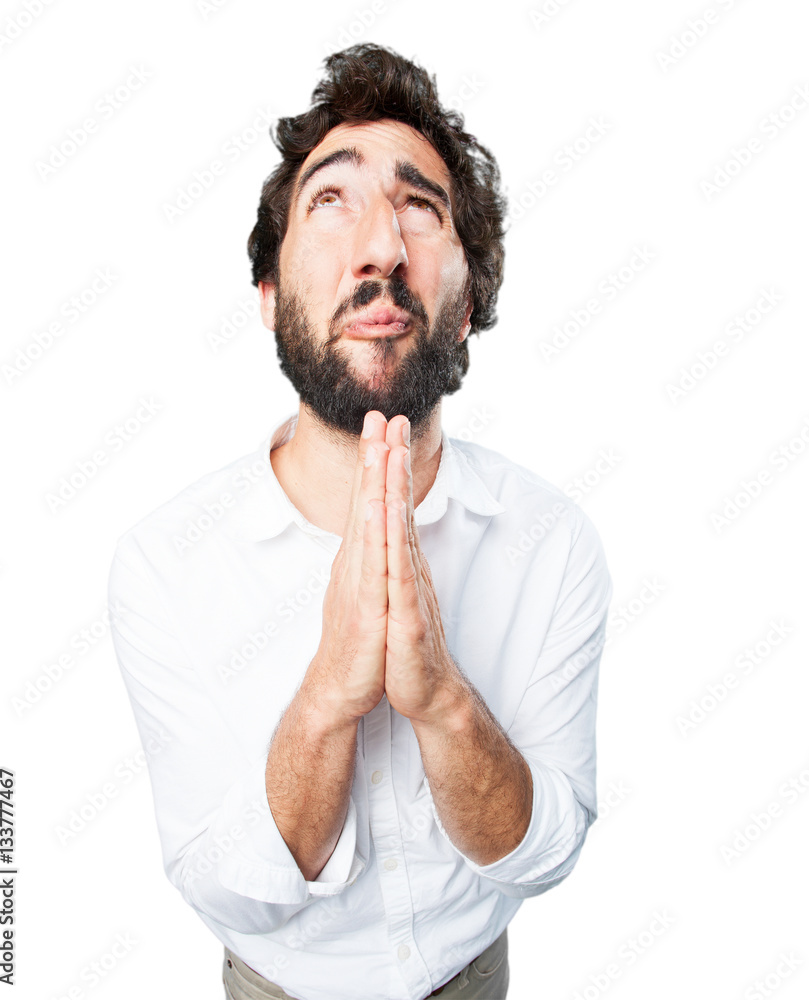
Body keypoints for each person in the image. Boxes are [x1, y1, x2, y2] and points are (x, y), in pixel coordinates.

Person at [108, 43, 613, 1000]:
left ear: (466, 310)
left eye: (419, 208)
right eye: (329, 201)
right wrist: (329, 694)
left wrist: (439, 699)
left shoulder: (554, 544)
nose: (381, 246)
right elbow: (224, 888)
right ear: (267, 295)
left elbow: (545, 855)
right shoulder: (162, 566)